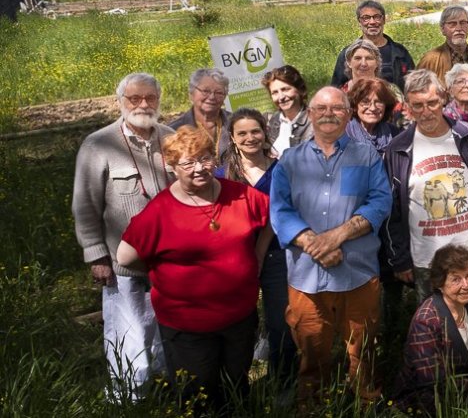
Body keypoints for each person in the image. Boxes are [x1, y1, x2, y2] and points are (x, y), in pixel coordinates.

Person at [116, 126, 272, 411]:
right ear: (172, 167)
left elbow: (274, 215)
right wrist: (164, 270)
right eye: (188, 163)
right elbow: (125, 257)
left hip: (239, 316)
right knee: (198, 395)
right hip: (187, 325)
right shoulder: (160, 211)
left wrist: (258, 253)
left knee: (236, 386)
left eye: (205, 158)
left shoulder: (239, 195)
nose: (199, 168)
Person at [270, 86, 392, 405]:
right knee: (311, 350)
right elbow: (280, 211)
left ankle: (366, 405)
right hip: (307, 277)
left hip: (357, 273)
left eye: (337, 108)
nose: (329, 114)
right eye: (321, 108)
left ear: (348, 115)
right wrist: (316, 244)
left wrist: (336, 237)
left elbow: (380, 202)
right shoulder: (290, 161)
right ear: (310, 114)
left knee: (364, 350)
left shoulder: (366, 156)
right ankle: (312, 406)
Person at [71, 72, 171, 401]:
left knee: (166, 328)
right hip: (122, 261)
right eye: (135, 98)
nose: (143, 104)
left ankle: (167, 387)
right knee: (128, 331)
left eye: (150, 98)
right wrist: (96, 254)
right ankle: (127, 396)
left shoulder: (171, 138)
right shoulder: (98, 144)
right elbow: (85, 204)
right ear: (120, 102)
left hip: (171, 260)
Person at [382, 69, 468, 301]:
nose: (426, 112)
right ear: (408, 107)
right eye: (418, 105)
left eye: (432, 103)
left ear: (443, 98)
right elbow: (391, 211)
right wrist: (399, 258)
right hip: (427, 260)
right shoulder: (398, 150)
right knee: (432, 319)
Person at [217, 108, 296, 382]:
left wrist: (259, 254)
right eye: (242, 133)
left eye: (255, 131)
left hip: (275, 255)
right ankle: (234, 384)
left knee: (281, 321)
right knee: (237, 323)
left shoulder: (281, 170)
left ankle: (283, 381)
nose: (249, 138)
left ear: (265, 133)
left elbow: (280, 213)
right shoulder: (222, 174)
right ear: (232, 137)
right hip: (234, 259)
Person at [395, 245, 468, 413]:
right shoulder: (426, 322)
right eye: (456, 279)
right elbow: (434, 382)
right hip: (430, 399)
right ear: (440, 284)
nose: (466, 285)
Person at [331, 0, 415, 90]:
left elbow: (413, 84)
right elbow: (336, 89)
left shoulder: (400, 52)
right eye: (366, 18)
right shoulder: (348, 53)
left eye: (377, 17)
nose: (372, 22)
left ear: (384, 20)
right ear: (359, 22)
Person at [170, 67, 231, 159]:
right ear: (191, 94)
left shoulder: (236, 123)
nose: (212, 97)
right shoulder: (173, 130)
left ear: (225, 96)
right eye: (205, 91)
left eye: (219, 92)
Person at [417, 6, 468, 81]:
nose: (459, 28)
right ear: (442, 29)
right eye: (452, 24)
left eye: (463, 23)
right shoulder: (431, 60)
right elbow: (415, 86)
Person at [261, 65, 313, 157]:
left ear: (300, 89)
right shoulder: (273, 121)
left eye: (285, 89)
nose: (281, 97)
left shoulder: (316, 122)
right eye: (275, 92)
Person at [346, 77, 401, 154]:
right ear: (355, 106)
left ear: (386, 106)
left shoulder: (394, 133)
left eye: (379, 102)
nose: (373, 108)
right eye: (365, 102)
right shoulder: (343, 134)